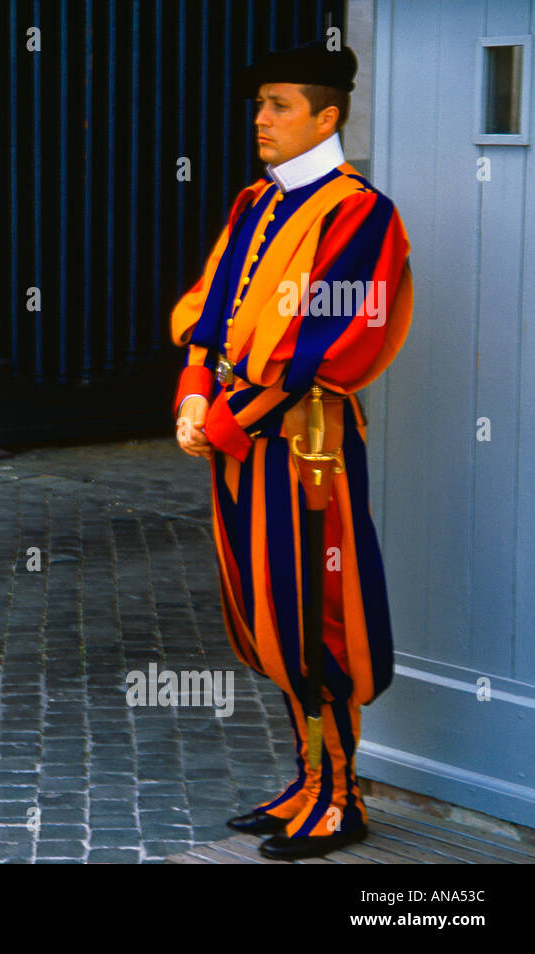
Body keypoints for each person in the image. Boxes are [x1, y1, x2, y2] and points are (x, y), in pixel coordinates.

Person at [171, 39, 413, 860]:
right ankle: (307, 779)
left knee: (318, 615)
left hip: (306, 452)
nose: (261, 118)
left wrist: (227, 419)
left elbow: (325, 345)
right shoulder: (254, 204)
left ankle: (343, 796)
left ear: (327, 115)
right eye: (260, 104)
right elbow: (209, 310)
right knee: (263, 616)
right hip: (240, 439)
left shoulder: (360, 214)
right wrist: (194, 393)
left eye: (279, 105)